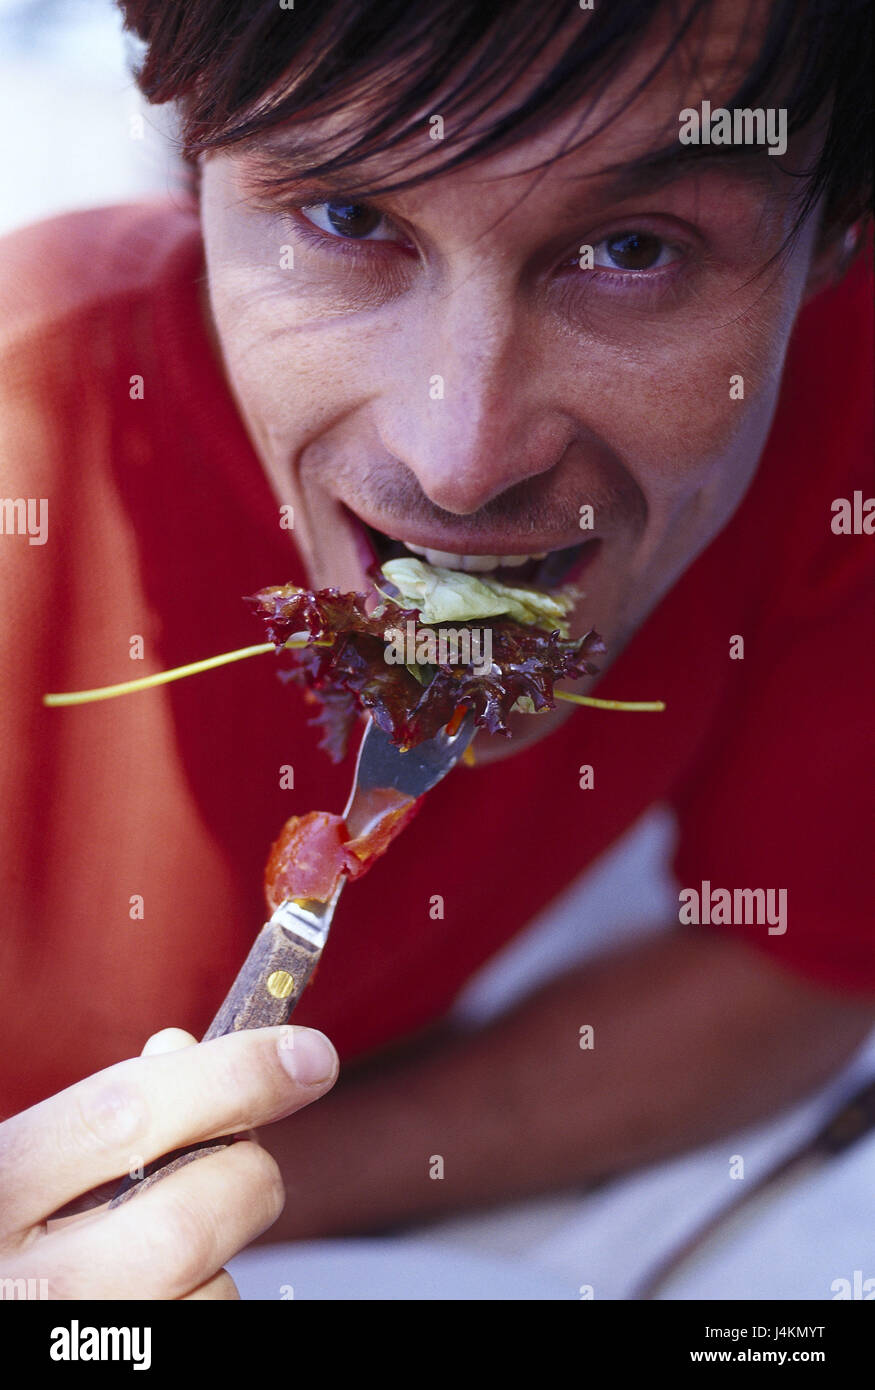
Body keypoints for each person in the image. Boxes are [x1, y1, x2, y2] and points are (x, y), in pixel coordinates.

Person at [0, 0, 872, 1299]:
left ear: (838, 234)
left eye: (632, 248)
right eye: (348, 217)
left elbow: (799, 970)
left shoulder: (842, 403)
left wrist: (242, 1195)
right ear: (191, 158)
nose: (459, 461)